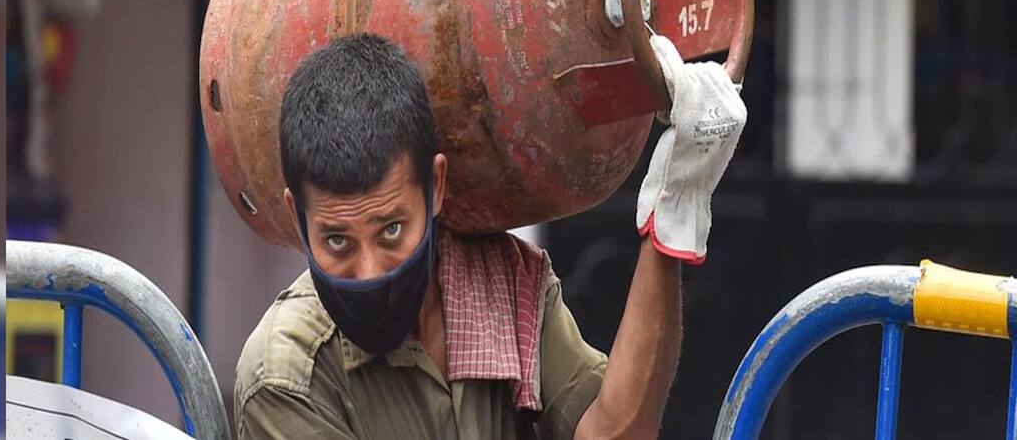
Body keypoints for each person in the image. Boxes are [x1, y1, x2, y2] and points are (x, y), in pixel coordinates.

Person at [235, 33, 746, 439]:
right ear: (297, 216)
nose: (369, 271)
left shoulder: (501, 286)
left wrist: (673, 210)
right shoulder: (284, 376)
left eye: (391, 230)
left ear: (435, 188)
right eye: (337, 242)